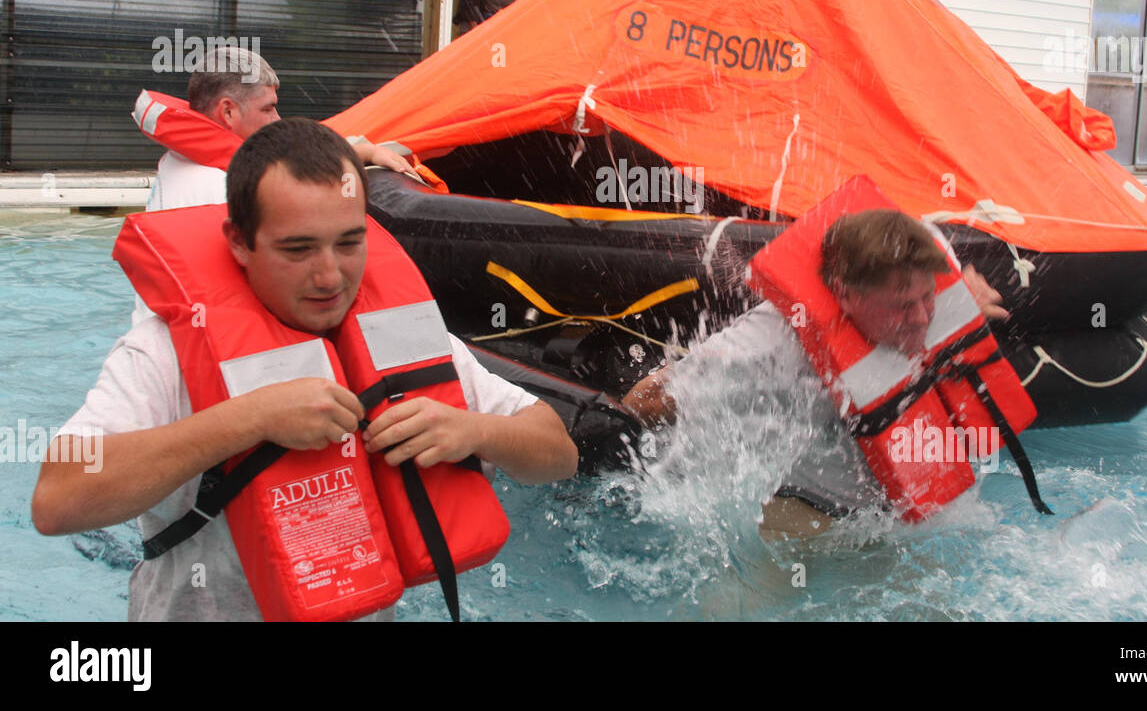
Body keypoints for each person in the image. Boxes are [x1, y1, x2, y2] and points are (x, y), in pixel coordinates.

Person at [32, 118, 578, 620]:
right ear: (239, 243)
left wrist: (474, 431)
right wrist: (250, 419)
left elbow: (558, 456)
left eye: (349, 243)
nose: (330, 277)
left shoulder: (402, 336)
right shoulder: (164, 354)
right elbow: (57, 501)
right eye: (298, 249)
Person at [620, 208, 1009, 535]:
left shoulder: (929, 264)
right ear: (845, 295)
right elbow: (641, 401)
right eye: (902, 306)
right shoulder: (767, 349)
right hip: (807, 516)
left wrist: (958, 294)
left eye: (928, 297)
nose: (922, 318)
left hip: (900, 516)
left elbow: (935, 268)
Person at [144, 45, 416, 213]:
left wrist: (365, 152)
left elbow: (292, 159)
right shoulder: (228, 188)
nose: (277, 119)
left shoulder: (175, 161)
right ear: (228, 111)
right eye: (267, 108)